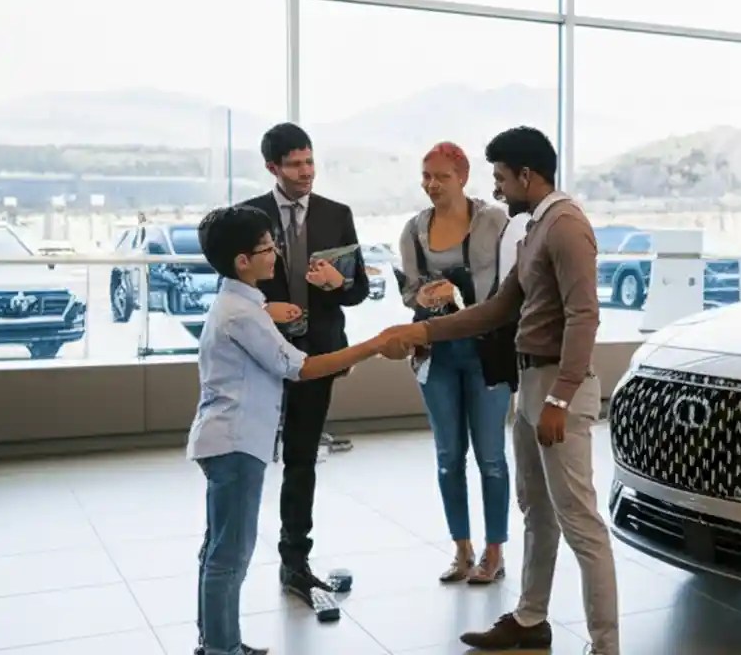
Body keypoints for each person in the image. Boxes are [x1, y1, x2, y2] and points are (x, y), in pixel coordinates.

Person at [381, 126, 619, 655]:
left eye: (501, 178)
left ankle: (606, 646)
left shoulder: (566, 227)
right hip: (531, 382)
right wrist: (421, 330)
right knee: (535, 509)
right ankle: (531, 619)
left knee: (580, 522)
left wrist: (560, 397)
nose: (497, 190)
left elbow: (584, 317)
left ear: (527, 176)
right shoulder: (535, 226)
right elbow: (496, 310)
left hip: (559, 388)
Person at [187, 205, 388, 655]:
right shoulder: (244, 316)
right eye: (266, 247)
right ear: (243, 261)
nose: (275, 253)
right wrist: (373, 346)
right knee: (229, 555)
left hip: (227, 439)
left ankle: (217, 642)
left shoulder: (241, 303)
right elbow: (301, 367)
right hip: (235, 443)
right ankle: (221, 649)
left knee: (218, 548)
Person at [241, 123, 370, 608]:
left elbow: (358, 292)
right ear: (272, 167)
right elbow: (232, 286)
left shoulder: (338, 214)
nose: (306, 172)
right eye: (295, 164)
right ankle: (233, 555)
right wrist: (262, 310)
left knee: (300, 459)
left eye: (310, 161)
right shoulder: (250, 214)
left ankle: (295, 560)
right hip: (261, 353)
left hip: (317, 356)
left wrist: (340, 282)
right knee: (250, 456)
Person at [397, 141, 514, 585]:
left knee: (490, 457)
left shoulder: (493, 221)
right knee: (448, 456)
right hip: (436, 352)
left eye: (440, 176)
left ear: (462, 177)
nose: (431, 185)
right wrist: (423, 295)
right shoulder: (413, 230)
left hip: (485, 349)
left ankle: (495, 550)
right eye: (426, 176)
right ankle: (461, 548)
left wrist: (461, 296)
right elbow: (410, 290)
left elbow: (508, 285)